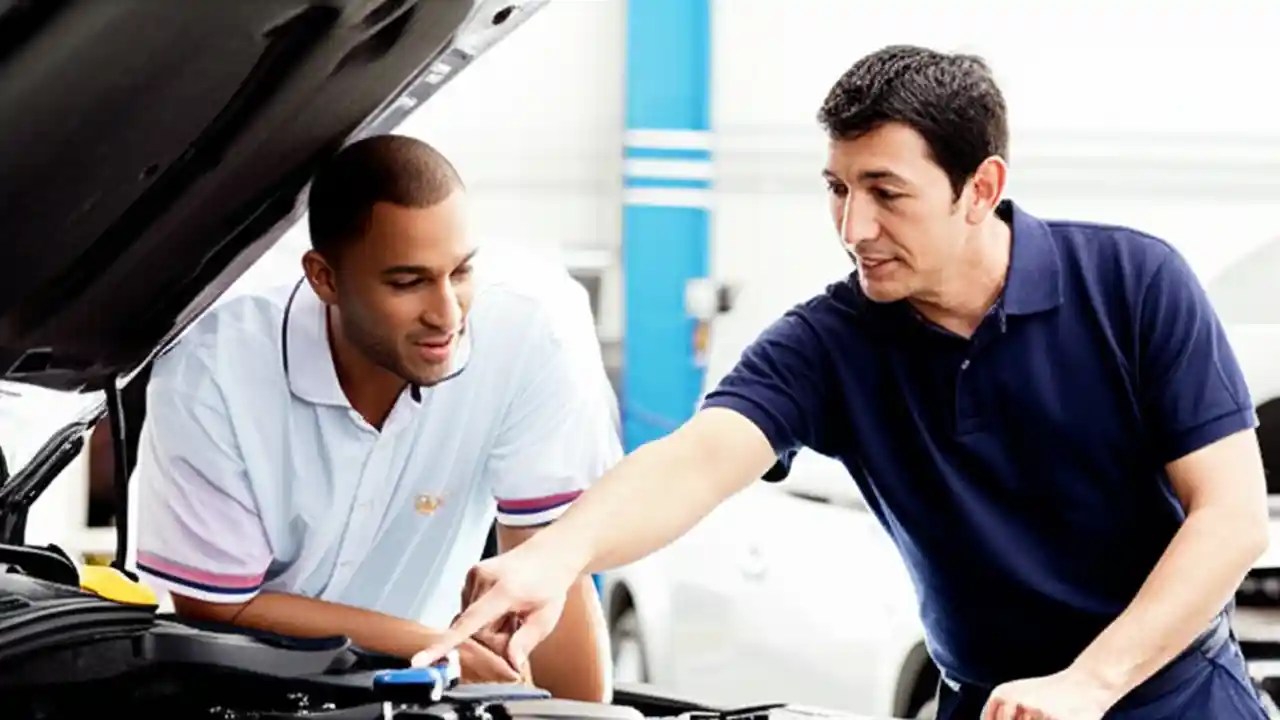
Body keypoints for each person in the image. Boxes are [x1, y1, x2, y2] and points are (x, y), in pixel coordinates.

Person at [413, 45, 1272, 720]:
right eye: (838, 188)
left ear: (982, 188)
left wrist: (1090, 684)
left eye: (886, 193)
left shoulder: (1132, 284)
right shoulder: (832, 341)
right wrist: (553, 558)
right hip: (991, 708)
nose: (854, 227)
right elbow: (697, 459)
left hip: (1177, 697)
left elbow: (1230, 518)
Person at [131, 134, 619, 701]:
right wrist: (440, 646)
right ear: (324, 278)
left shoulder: (530, 332)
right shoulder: (212, 371)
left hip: (422, 695)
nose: (447, 314)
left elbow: (543, 569)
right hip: (242, 694)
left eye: (460, 271)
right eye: (408, 282)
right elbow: (217, 605)